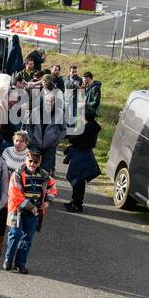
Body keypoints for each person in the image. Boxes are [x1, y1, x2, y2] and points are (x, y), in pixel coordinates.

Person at [4, 147, 56, 273]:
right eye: (30, 161)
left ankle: (20, 263)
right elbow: (15, 194)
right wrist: (31, 207)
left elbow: (52, 187)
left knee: (28, 239)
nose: (32, 164)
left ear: (40, 162)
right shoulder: (17, 174)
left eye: (36, 162)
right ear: (26, 160)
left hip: (35, 212)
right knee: (15, 235)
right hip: (17, 210)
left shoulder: (45, 175)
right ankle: (8, 260)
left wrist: (48, 201)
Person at [0, 130, 31, 254]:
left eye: (21, 141)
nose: (18, 143)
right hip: (5, 188)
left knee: (17, 218)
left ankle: (15, 244)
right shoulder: (7, 151)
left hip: (20, 192)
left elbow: (32, 172)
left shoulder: (29, 155)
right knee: (3, 215)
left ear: (26, 143)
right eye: (16, 140)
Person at [64, 72, 102, 213]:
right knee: (80, 183)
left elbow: (73, 138)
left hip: (80, 156)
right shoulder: (93, 127)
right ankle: (76, 202)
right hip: (86, 155)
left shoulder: (85, 128)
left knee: (77, 182)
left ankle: (76, 204)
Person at [28, 76, 68, 179]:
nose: (49, 103)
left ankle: (43, 191)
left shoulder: (59, 113)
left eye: (51, 101)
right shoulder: (36, 111)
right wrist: (31, 138)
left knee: (45, 171)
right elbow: (29, 125)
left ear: (54, 102)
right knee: (32, 168)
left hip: (50, 145)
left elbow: (64, 129)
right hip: (35, 144)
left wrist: (57, 140)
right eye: (47, 101)